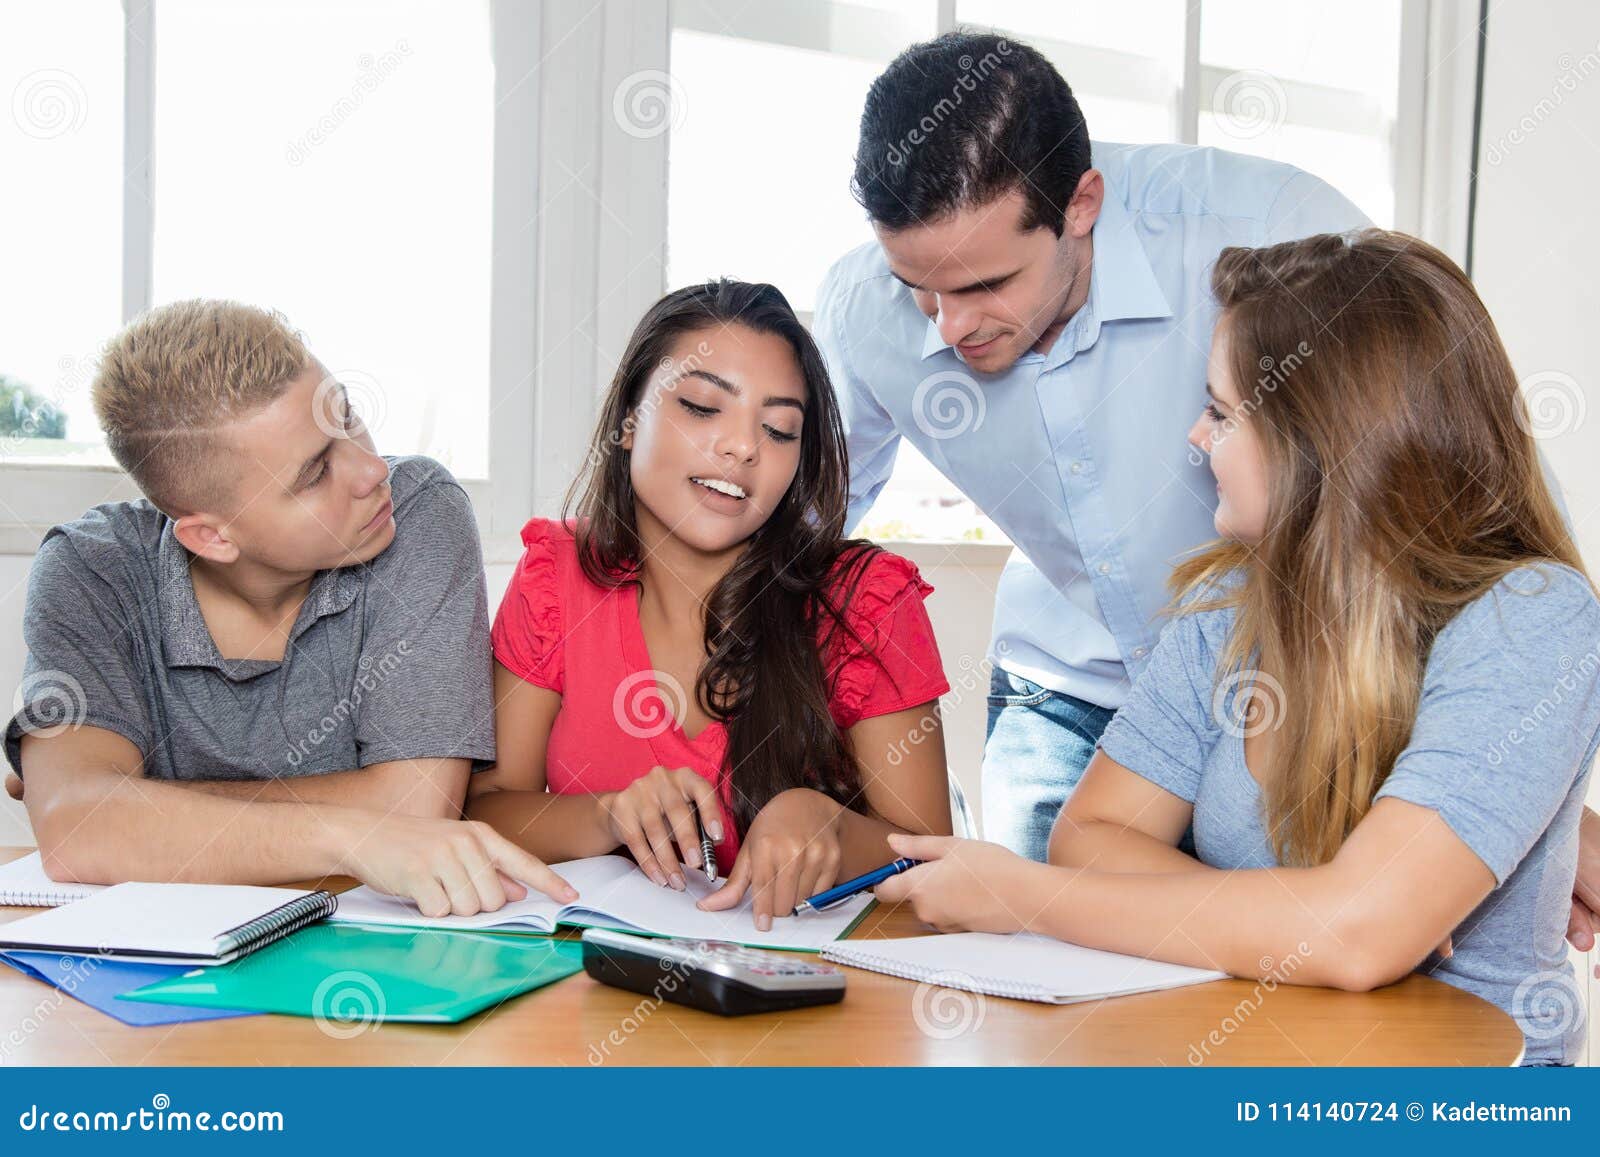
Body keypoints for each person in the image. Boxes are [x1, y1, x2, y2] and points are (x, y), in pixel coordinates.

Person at [874, 231, 1600, 1065]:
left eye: (1221, 411)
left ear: (1322, 439)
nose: (1194, 435)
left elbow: (1360, 937)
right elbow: (1094, 834)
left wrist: (1029, 898)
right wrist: (1310, 919)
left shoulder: (1534, 618)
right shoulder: (1230, 602)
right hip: (1257, 1063)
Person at [818, 30, 1374, 861]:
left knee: (1284, 969)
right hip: (1062, 705)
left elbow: (1456, 482)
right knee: (1041, 976)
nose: (952, 325)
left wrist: (1526, 791)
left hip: (1289, 703)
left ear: (1082, 204)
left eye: (985, 285)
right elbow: (790, 536)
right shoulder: (864, 309)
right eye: (920, 290)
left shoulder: (1274, 230)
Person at [4, 300, 575, 916]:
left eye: (347, 417)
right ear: (213, 537)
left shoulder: (415, 513)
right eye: (312, 475)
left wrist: (142, 806)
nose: (370, 469)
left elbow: (415, 810)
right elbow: (77, 831)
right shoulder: (91, 570)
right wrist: (351, 833)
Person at [467, 280, 953, 931]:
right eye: (702, 407)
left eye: (779, 429)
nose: (743, 446)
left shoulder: (865, 599)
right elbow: (485, 809)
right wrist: (607, 815)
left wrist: (830, 825)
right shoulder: (556, 575)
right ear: (627, 421)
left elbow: (938, 865)